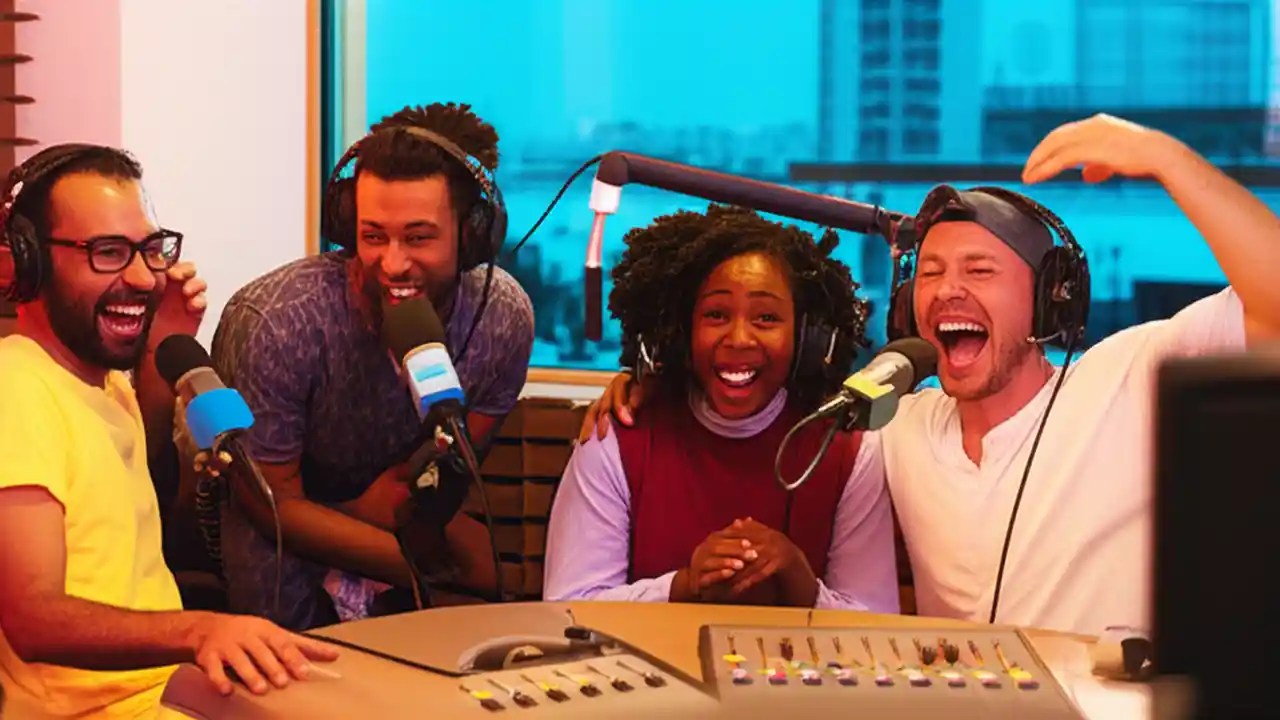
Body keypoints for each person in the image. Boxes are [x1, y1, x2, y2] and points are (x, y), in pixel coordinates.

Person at [579, 114, 1280, 635]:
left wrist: (1167, 159)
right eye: (933, 273)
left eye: (980, 271)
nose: (947, 290)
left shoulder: (1131, 376)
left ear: (1048, 299)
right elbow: (761, 404)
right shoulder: (900, 429)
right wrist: (651, 383)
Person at [0, 144, 337, 718]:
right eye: (108, 252)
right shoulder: (17, 389)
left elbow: (137, 500)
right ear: (22, 265)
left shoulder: (103, 384)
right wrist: (201, 630)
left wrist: (160, 348)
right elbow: (33, 619)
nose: (142, 275)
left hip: (174, 694)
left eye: (150, 249)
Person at [211, 102, 535, 630]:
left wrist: (418, 527)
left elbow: (449, 465)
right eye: (373, 235)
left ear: (472, 233)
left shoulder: (501, 318)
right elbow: (270, 505)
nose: (393, 263)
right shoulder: (278, 321)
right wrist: (405, 557)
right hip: (280, 536)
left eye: (419, 237)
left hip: (411, 519)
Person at [544, 205, 899, 611]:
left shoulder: (848, 450)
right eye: (715, 315)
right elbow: (567, 608)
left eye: (766, 318)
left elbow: (877, 622)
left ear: (807, 339)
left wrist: (801, 582)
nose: (739, 338)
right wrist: (684, 586)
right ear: (681, 332)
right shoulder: (618, 437)